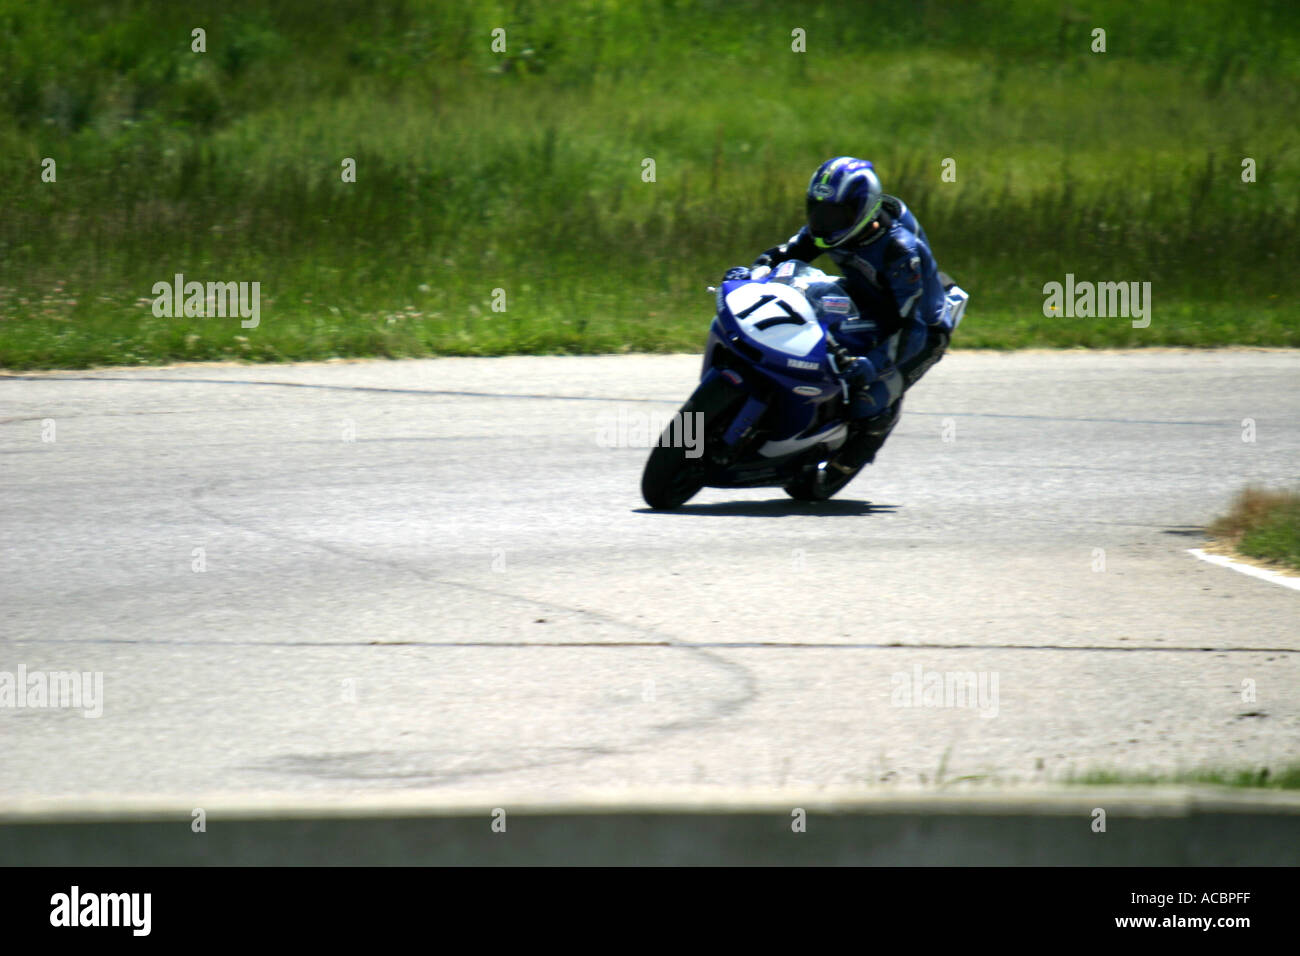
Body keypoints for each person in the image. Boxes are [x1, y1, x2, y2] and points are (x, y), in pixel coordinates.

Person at [723, 157, 961, 487]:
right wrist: (752, 272)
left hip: (918, 329)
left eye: (834, 214)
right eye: (817, 211)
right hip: (866, 296)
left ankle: (843, 466)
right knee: (803, 307)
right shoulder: (829, 229)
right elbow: (786, 253)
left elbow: (914, 330)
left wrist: (870, 365)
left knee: (870, 396)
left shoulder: (900, 252)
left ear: (862, 211)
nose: (822, 222)